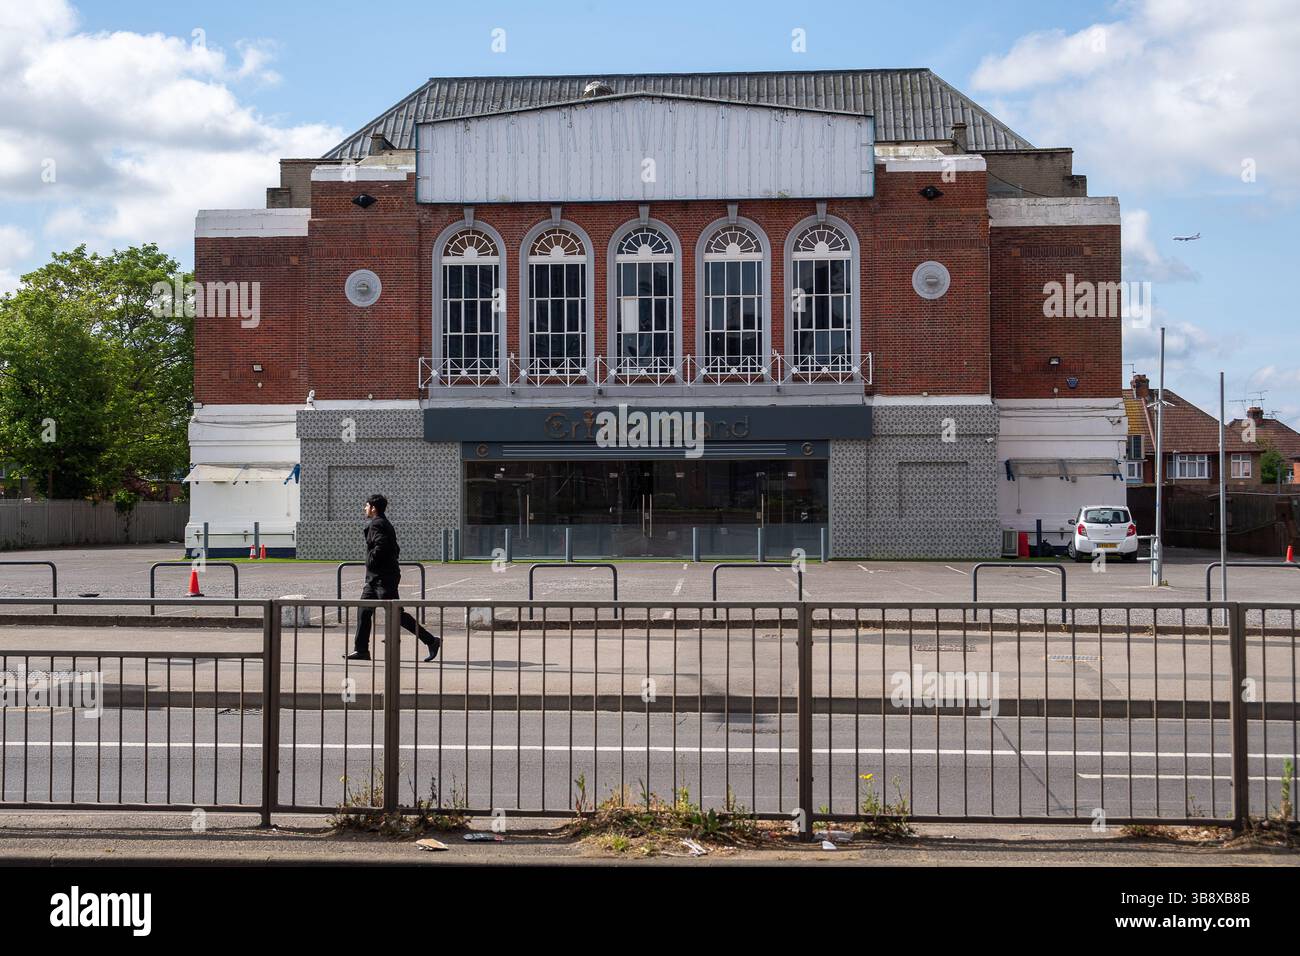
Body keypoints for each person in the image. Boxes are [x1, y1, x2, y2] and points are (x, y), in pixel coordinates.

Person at [347, 494, 441, 662]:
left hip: (382, 578)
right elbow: (395, 548)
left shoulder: (377, 524)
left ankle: (431, 641)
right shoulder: (384, 523)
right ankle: (361, 650)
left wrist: (370, 561)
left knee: (396, 613)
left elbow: (382, 546)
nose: (365, 508)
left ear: (373, 508)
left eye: (366, 506)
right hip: (377, 578)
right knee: (364, 610)